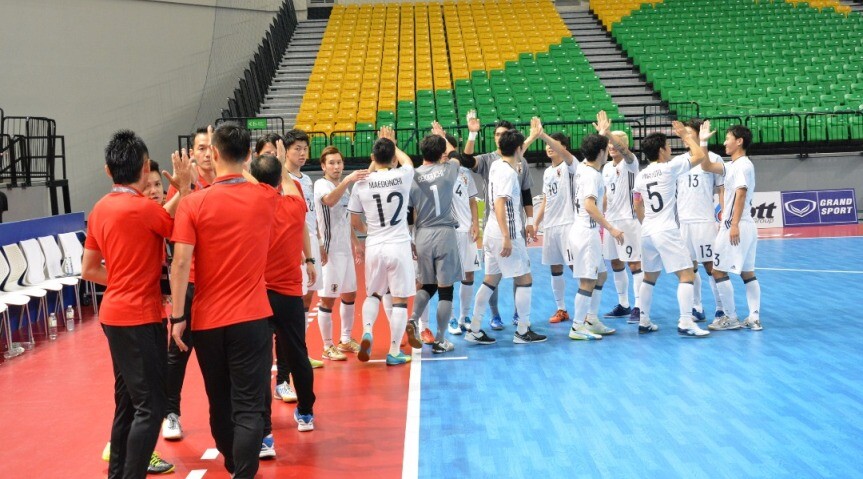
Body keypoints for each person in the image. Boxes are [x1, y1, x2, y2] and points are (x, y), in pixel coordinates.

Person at [170, 123, 279, 479]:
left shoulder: (192, 203)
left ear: (213, 153)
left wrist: (177, 317)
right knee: (249, 407)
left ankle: (234, 465)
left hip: (208, 321)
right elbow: (264, 183)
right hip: (252, 319)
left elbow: (180, 263)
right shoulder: (265, 196)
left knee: (220, 403)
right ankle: (242, 472)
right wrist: (242, 165)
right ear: (248, 157)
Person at [83, 130, 191, 479]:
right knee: (152, 405)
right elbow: (177, 227)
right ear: (146, 167)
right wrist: (185, 189)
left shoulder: (100, 209)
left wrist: (121, 280)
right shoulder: (145, 209)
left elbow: (89, 269)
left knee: (128, 401)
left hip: (112, 315)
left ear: (107, 170)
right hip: (139, 317)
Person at [249, 149, 317, 460]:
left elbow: (250, 182)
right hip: (289, 296)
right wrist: (282, 168)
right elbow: (287, 185)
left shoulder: (251, 208)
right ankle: (306, 413)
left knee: (259, 364)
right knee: (298, 355)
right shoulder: (294, 205)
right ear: (279, 179)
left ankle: (265, 435)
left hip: (258, 296)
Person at [632, 121, 717, 337]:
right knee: (687, 274)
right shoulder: (669, 168)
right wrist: (686, 137)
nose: (671, 149)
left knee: (649, 277)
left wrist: (647, 223)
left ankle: (644, 321)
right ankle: (686, 321)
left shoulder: (641, 175)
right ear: (661, 150)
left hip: (647, 231)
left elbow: (637, 204)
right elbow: (699, 156)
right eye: (668, 145)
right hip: (666, 229)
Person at [254, 133, 321, 404]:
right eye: (267, 154)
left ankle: (282, 382)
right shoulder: (254, 194)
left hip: (282, 282)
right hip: (260, 287)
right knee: (262, 351)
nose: (272, 157)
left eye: (275, 153)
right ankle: (296, 410)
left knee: (286, 344)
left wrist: (309, 258)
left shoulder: (295, 190)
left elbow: (301, 223)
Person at [464, 129, 547, 345]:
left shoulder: (496, 165)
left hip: (490, 230)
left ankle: (474, 328)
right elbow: (500, 204)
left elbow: (516, 150)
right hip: (506, 232)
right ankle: (522, 330)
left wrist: (531, 137)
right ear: (518, 149)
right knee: (525, 279)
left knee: (490, 280)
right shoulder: (509, 173)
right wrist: (507, 237)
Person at [348, 127, 416, 366]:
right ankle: (394, 351)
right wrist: (392, 143)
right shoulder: (403, 175)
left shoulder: (361, 184)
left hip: (375, 244)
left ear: (373, 158)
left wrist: (371, 232)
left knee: (373, 294)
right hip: (398, 245)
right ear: (393, 157)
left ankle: (367, 331)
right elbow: (408, 162)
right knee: (399, 300)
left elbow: (354, 220)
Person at [162, 127, 213, 441]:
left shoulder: (227, 181)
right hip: (191, 283)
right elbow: (172, 232)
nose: (207, 153)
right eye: (201, 148)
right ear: (192, 153)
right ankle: (171, 413)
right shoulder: (181, 186)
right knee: (178, 350)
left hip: (220, 284)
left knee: (220, 354)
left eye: (211, 147)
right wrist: (185, 190)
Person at [405, 128, 470, 354]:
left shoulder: (411, 176)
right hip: (444, 233)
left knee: (427, 284)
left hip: (422, 234)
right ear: (441, 152)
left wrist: (411, 239)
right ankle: (440, 340)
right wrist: (443, 136)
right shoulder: (448, 170)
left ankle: (413, 318)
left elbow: (408, 214)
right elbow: (456, 155)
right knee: (445, 290)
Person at [313, 146, 368, 360]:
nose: (336, 167)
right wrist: (347, 180)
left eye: (339, 162)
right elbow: (329, 201)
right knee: (327, 299)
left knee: (350, 294)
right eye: (331, 163)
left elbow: (345, 220)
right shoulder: (321, 185)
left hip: (345, 250)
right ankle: (327, 346)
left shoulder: (343, 188)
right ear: (323, 166)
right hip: (330, 251)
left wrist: (356, 243)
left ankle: (345, 339)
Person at [566, 132, 622, 341]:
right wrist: (611, 228)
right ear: (601, 152)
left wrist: (601, 133)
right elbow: (589, 206)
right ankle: (577, 326)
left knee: (601, 275)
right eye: (606, 149)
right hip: (587, 233)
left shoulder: (583, 168)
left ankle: (591, 319)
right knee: (587, 281)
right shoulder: (592, 175)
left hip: (583, 232)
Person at [709, 125, 763, 332]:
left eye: (728, 138)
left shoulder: (742, 165)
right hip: (747, 224)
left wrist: (733, 225)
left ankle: (731, 318)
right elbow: (706, 165)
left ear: (739, 141)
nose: (724, 142)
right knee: (747, 273)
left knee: (718, 271)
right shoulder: (732, 165)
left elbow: (741, 194)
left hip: (735, 224)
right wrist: (701, 141)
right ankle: (754, 317)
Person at [675, 118, 727, 323]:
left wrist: (723, 216)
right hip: (683, 222)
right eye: (684, 134)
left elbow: (722, 189)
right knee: (689, 267)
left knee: (711, 266)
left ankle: (721, 308)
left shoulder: (712, 158)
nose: (684, 137)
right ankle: (696, 307)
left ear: (699, 134)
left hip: (704, 221)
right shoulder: (680, 161)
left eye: (689, 133)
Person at [595, 115, 644, 324]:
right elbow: (607, 195)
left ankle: (640, 306)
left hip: (629, 221)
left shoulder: (631, 163)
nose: (612, 146)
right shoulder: (606, 168)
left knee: (634, 264)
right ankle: (624, 304)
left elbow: (625, 152)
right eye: (609, 143)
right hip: (612, 222)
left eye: (616, 143)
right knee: (615, 262)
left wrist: (608, 133)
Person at [533, 130, 577, 324]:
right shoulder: (547, 172)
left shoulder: (570, 166)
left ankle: (588, 310)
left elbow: (568, 157)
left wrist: (543, 135)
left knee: (576, 266)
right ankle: (561, 309)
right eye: (547, 144)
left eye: (553, 144)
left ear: (563, 147)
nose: (549, 147)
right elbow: (545, 200)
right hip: (551, 226)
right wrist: (536, 222)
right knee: (555, 267)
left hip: (568, 223)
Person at [444, 134, 481, 336]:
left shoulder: (465, 172)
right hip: (449, 231)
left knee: (469, 274)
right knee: (448, 276)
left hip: (467, 231)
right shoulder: (438, 171)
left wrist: (475, 224)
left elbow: (472, 200)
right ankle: (450, 318)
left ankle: (464, 316)